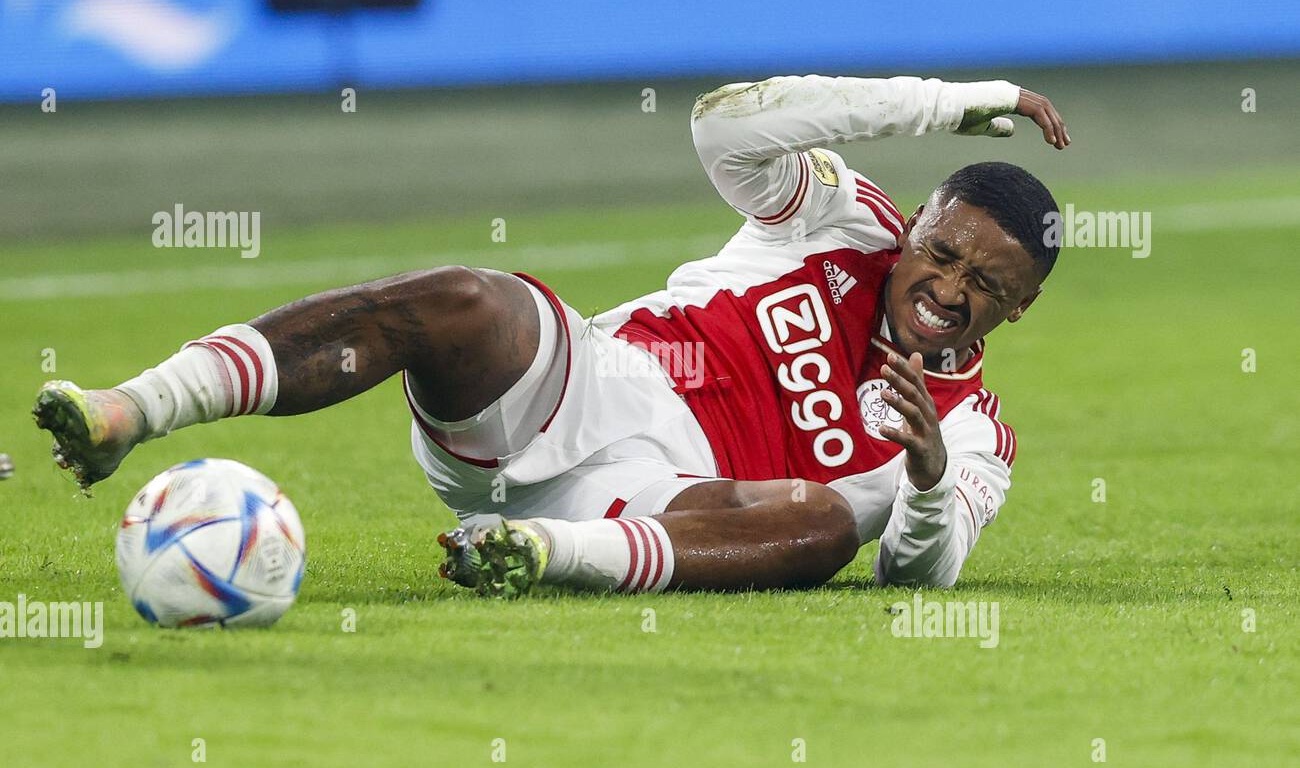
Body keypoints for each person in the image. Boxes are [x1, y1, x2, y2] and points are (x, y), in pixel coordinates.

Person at [34, 74, 1069, 597]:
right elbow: (722, 122)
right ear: (918, 226)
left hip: (658, 507)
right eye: (939, 251)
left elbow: (915, 575)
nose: (943, 287)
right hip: (582, 386)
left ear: (1015, 311)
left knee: (823, 526)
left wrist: (927, 480)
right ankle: (133, 409)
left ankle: (536, 553)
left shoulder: (972, 430)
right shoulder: (840, 218)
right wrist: (955, 101)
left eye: (983, 286)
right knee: (462, 297)